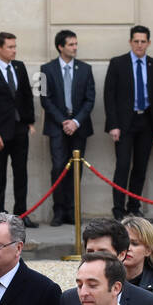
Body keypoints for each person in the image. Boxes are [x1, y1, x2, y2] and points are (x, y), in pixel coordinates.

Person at [0, 32, 36, 225]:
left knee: (21, 173)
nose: (14, 50)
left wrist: (30, 121)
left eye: (15, 46)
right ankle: (0, 215)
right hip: (0, 132)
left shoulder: (19, 67)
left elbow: (27, 94)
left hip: (20, 129)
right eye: (10, 47)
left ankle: (21, 215)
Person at [104, 25, 153, 220]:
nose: (139, 45)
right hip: (124, 123)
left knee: (140, 167)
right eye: (136, 41)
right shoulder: (118, 63)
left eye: (143, 41)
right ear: (130, 42)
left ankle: (134, 207)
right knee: (122, 166)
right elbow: (109, 95)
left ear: (148, 43)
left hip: (145, 121)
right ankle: (118, 210)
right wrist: (113, 124)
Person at [40, 30, 95, 226]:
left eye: (76, 44)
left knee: (76, 169)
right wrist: (63, 121)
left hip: (79, 127)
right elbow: (45, 99)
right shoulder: (46, 69)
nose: (75, 48)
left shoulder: (86, 69)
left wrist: (75, 122)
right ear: (60, 47)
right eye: (71, 44)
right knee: (58, 168)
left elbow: (90, 99)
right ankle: (59, 211)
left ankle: (73, 211)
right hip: (57, 127)